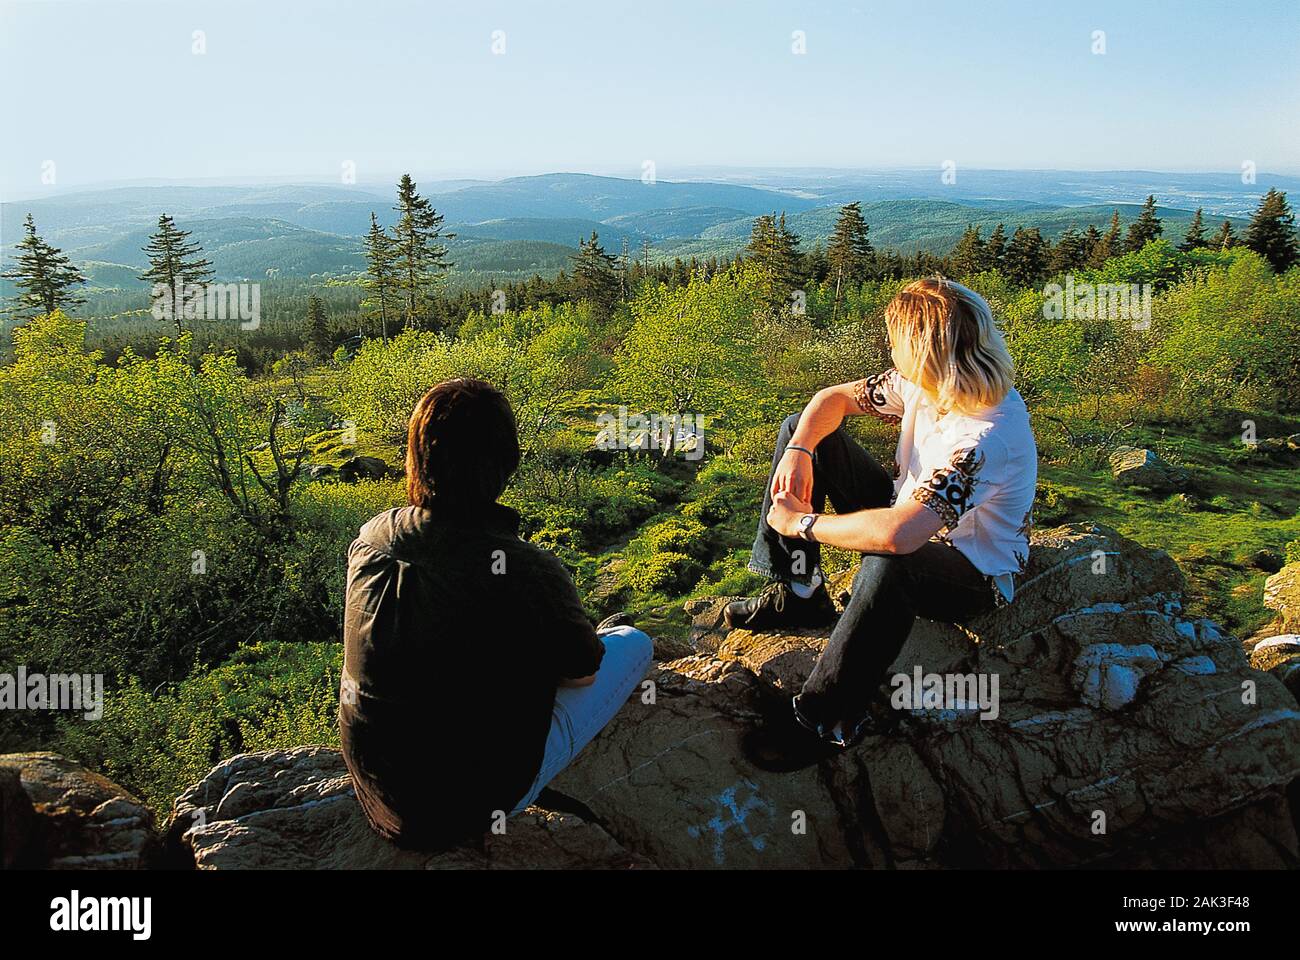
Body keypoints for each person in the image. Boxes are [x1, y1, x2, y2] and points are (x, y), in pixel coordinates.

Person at [729, 278, 1036, 770]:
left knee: (894, 562)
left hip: (971, 573)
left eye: (895, 341)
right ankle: (800, 593)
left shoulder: (984, 440)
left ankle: (823, 718)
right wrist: (800, 450)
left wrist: (799, 523)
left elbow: (899, 534)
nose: (888, 350)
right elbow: (831, 399)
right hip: (908, 511)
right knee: (804, 431)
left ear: (926, 352)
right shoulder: (928, 383)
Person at [339, 378, 653, 851]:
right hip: (459, 810)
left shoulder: (371, 538)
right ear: (506, 462)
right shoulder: (526, 569)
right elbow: (583, 675)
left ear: (416, 459)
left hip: (375, 789)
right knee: (632, 643)